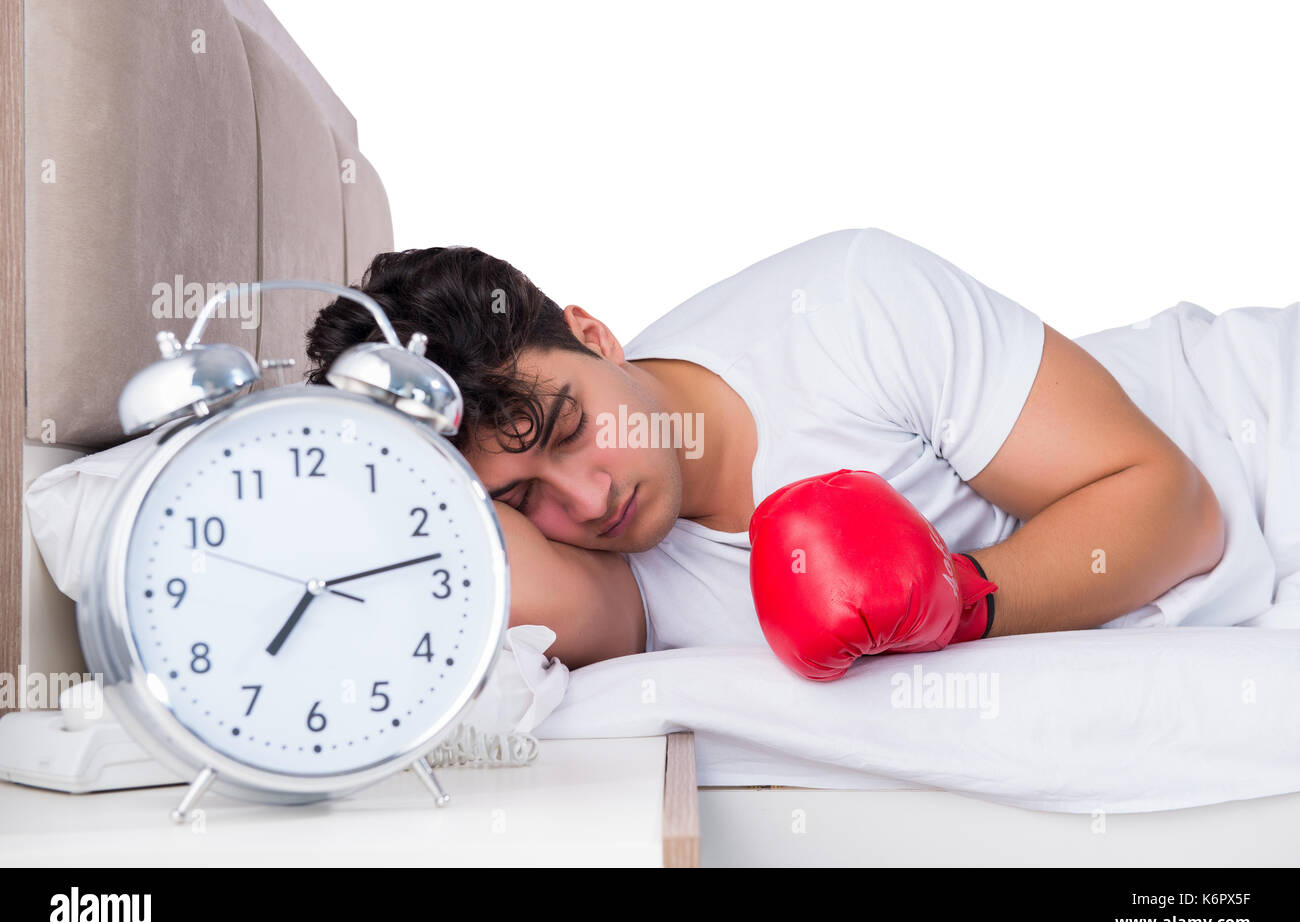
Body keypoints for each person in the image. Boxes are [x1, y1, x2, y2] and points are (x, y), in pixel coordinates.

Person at [304, 226, 1288, 671]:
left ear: (593, 332)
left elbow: (1173, 506)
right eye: (518, 501)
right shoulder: (585, 578)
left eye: (570, 429)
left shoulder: (845, 307)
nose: (587, 497)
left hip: (1257, 417)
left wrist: (957, 599)